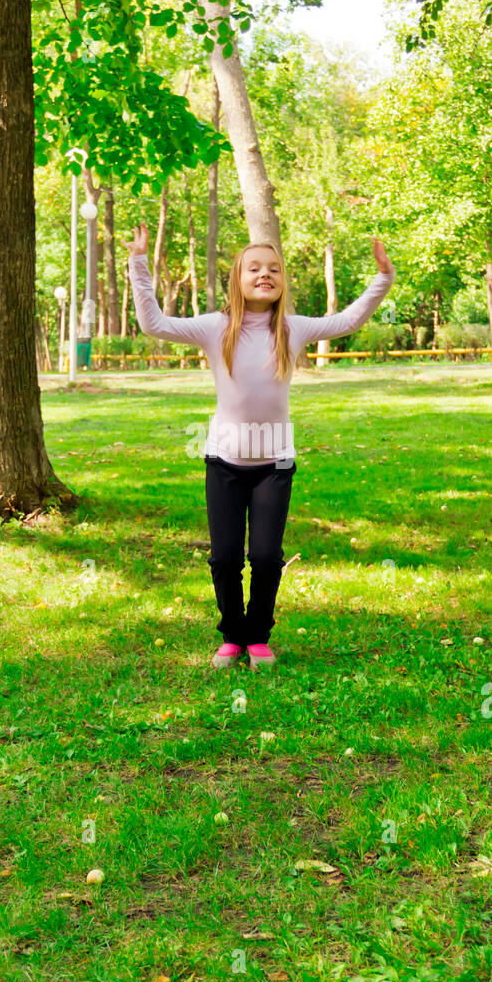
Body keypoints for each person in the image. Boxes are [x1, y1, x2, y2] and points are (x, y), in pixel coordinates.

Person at [125, 223, 395, 670]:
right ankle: (233, 635)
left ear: (282, 280)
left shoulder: (293, 328)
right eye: (254, 268)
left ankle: (259, 635)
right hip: (224, 461)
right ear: (238, 277)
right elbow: (153, 324)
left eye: (273, 269)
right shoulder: (215, 328)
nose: (264, 274)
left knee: (266, 556)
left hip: (274, 462)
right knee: (225, 557)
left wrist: (381, 278)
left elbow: (349, 321)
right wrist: (138, 264)